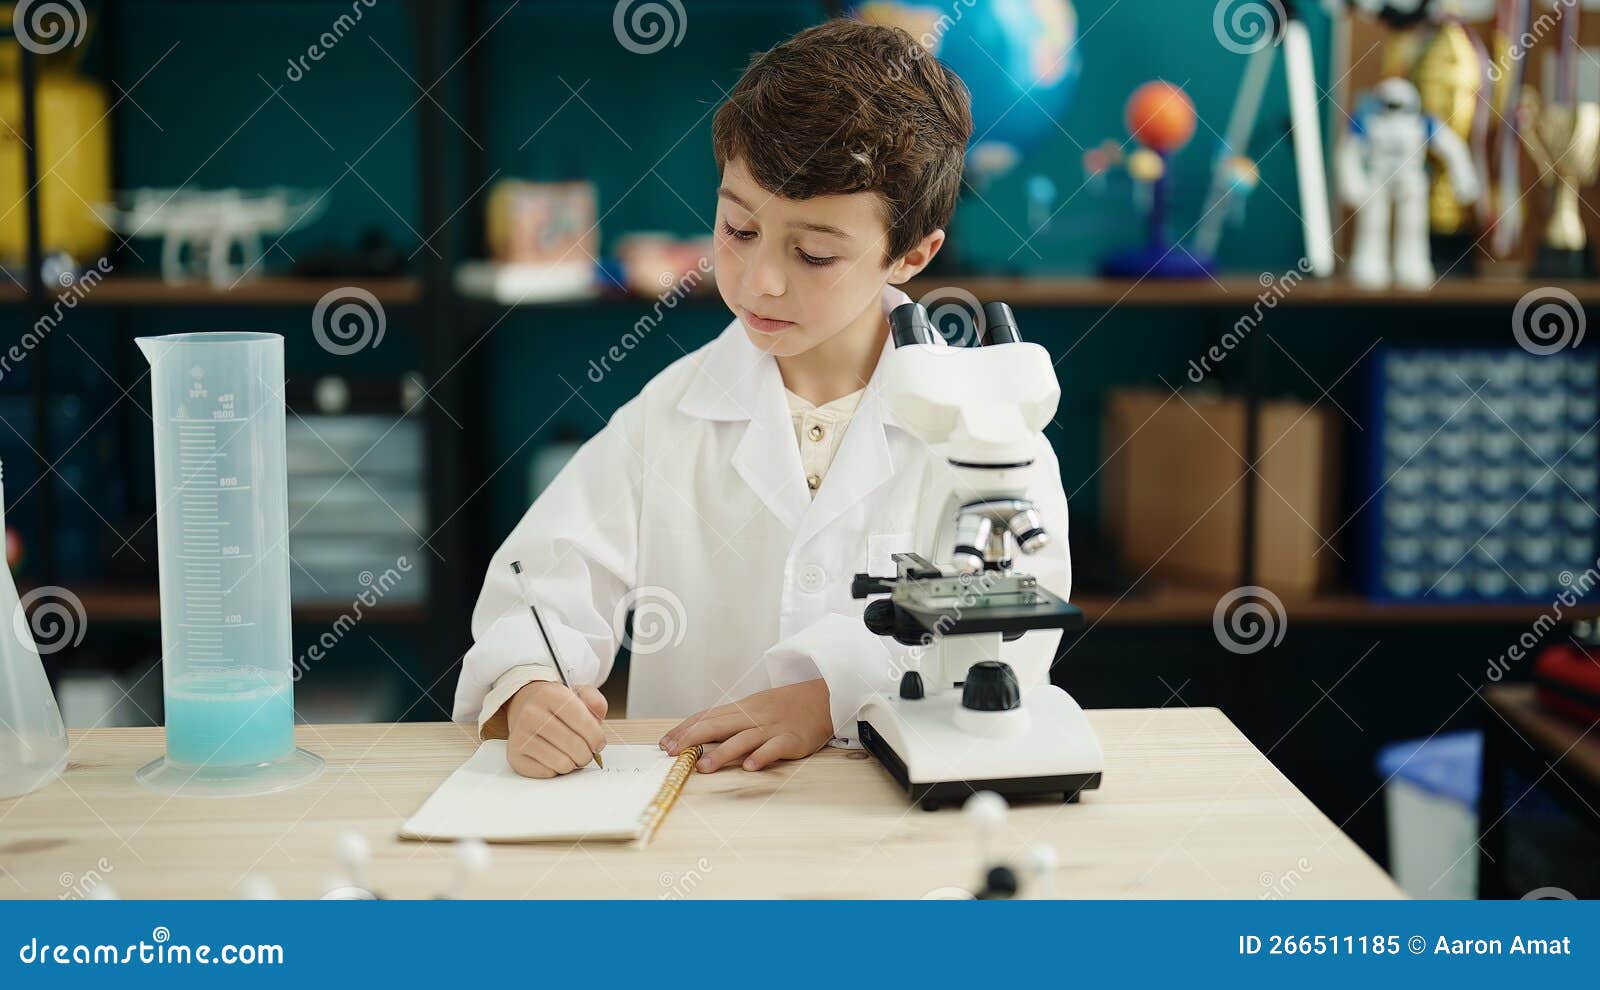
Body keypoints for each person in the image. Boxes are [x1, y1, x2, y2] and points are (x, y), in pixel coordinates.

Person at [452, 18, 1072, 778]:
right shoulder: (670, 414)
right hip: (695, 810)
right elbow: (543, 584)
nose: (758, 281)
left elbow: (1017, 629)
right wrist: (527, 688)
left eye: (814, 252)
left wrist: (829, 696)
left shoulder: (986, 434)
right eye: (739, 228)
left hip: (893, 833)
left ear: (913, 254)